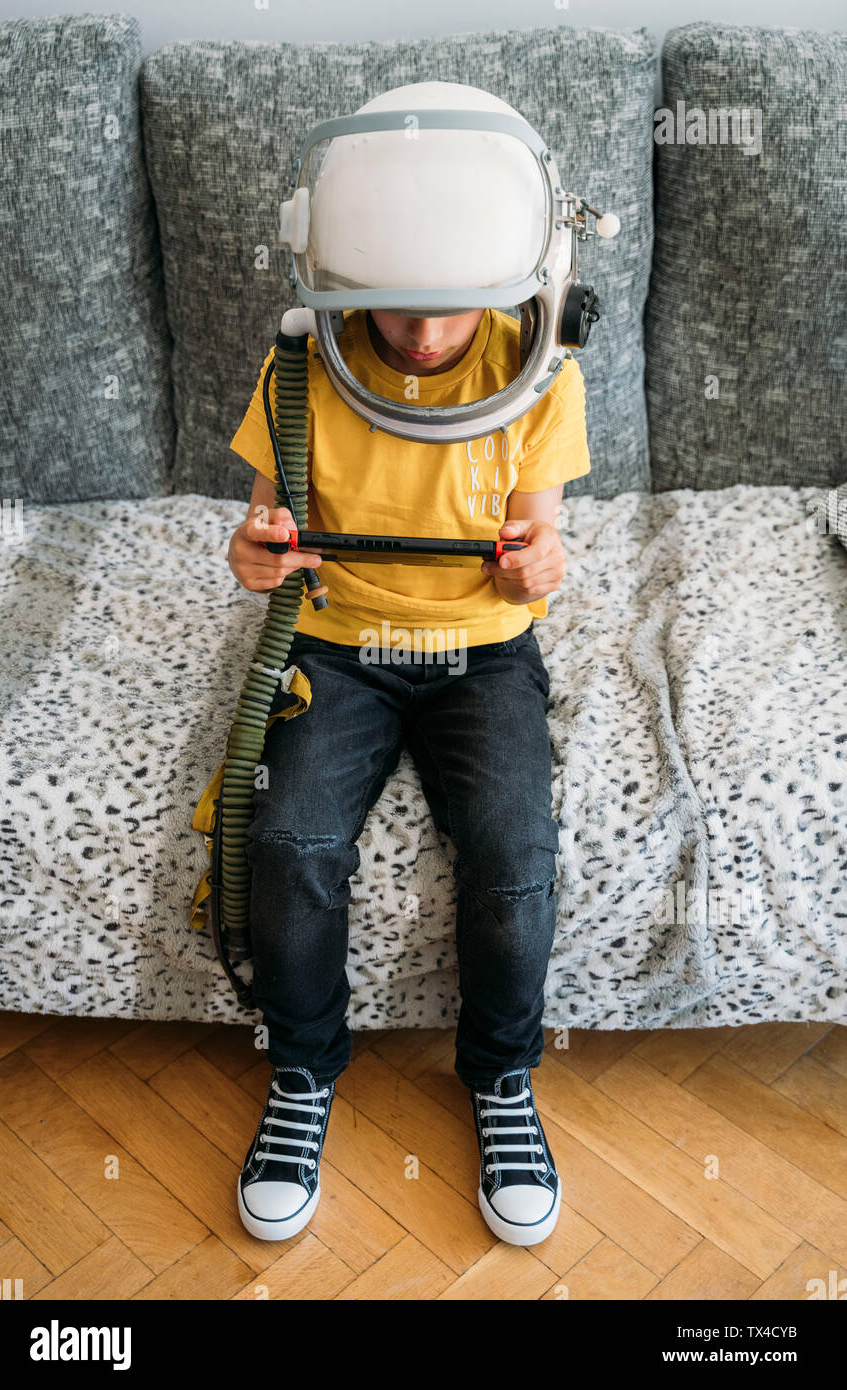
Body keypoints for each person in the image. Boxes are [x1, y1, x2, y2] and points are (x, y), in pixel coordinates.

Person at [224, 82, 594, 1249]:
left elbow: (540, 548)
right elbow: (259, 533)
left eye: (450, 309)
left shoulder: (540, 372)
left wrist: (543, 567)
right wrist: (254, 556)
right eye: (396, 307)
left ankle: (499, 1077)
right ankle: (300, 1074)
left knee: (513, 854)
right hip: (340, 641)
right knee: (286, 841)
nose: (426, 335)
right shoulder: (297, 373)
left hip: (483, 654)